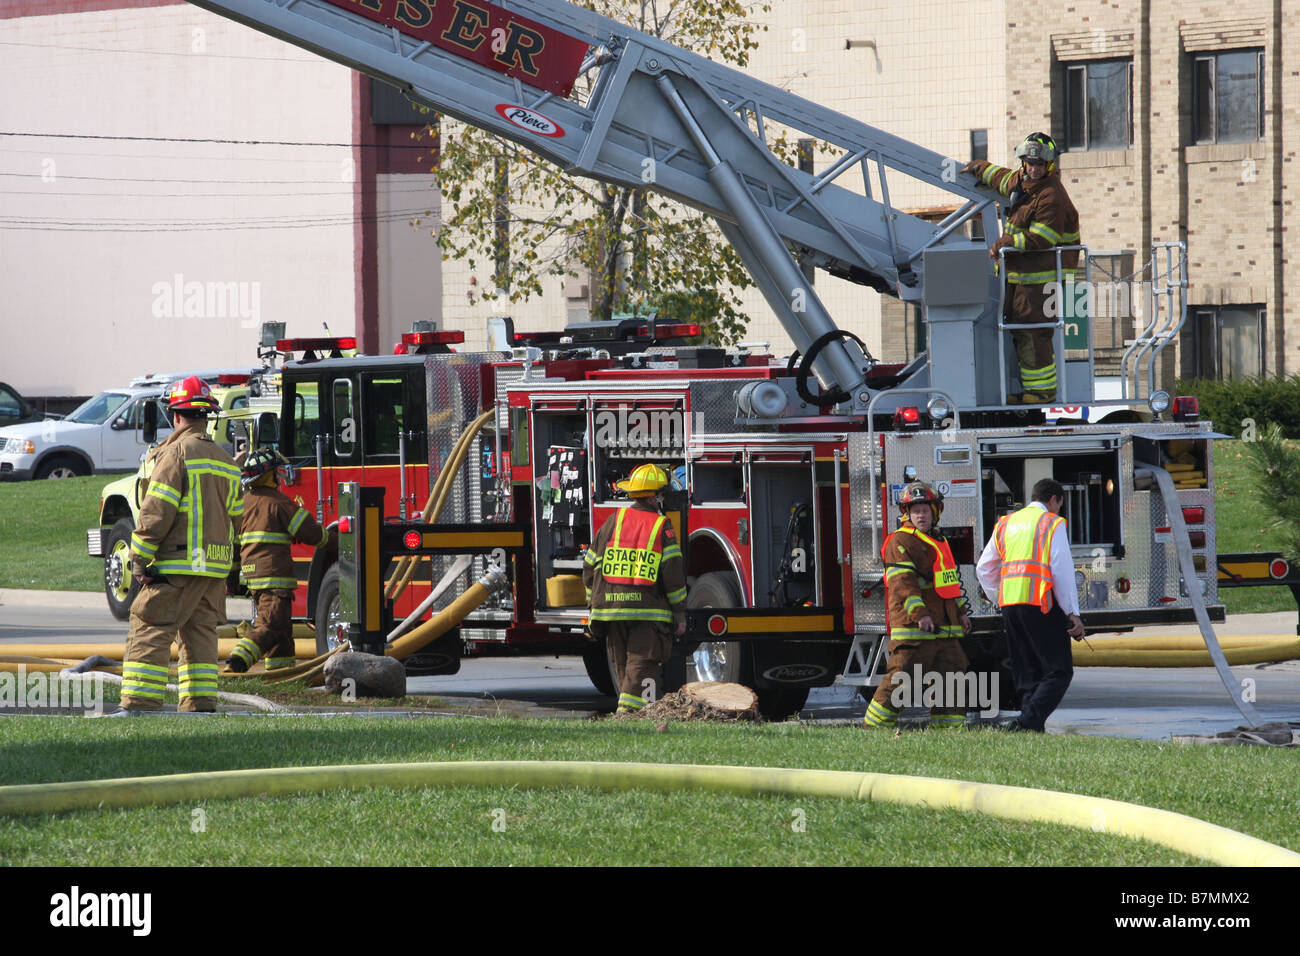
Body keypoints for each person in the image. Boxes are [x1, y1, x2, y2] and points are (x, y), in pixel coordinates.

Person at [117, 376, 243, 713]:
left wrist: (140, 560)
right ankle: (200, 704)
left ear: (175, 416)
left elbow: (156, 511)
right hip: (213, 570)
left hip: (176, 566)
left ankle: (139, 704)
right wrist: (232, 568)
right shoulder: (227, 462)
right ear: (207, 416)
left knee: (150, 626)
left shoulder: (175, 454)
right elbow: (238, 520)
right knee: (199, 635)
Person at [963, 132, 1080, 404]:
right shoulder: (1025, 182)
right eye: (1029, 162)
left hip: (1042, 280)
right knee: (1019, 331)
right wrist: (978, 168)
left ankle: (1041, 393)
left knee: (1034, 333)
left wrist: (1005, 242)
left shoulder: (1051, 195)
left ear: (1049, 165)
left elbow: (1043, 237)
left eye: (1039, 164)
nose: (1034, 168)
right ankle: (1030, 390)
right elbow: (1003, 179)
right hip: (1022, 277)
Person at [976, 478, 1086, 732]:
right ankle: (1027, 722)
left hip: (1010, 604)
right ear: (1053, 500)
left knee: (1027, 671)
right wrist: (1073, 613)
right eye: (1059, 504)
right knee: (1059, 671)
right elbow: (1061, 571)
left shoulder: (1007, 523)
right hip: (1040, 603)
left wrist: (998, 596)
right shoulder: (1052, 523)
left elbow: (984, 568)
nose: (1059, 509)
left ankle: (1029, 728)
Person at [864, 482, 973, 730]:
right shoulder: (900, 541)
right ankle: (873, 728)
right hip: (916, 629)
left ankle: (948, 733)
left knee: (953, 678)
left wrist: (962, 613)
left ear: (935, 512)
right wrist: (921, 615)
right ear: (907, 514)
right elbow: (903, 584)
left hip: (945, 629)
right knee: (903, 680)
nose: (921, 515)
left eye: (925, 510)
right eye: (916, 511)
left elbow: (949, 583)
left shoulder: (938, 540)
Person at [583, 463, 688, 713]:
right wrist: (680, 613)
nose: (663, 498)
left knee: (623, 667)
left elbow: (589, 568)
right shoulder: (661, 525)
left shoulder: (613, 521)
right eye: (662, 494)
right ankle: (632, 716)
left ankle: (631, 714)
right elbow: (672, 573)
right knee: (643, 663)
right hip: (647, 611)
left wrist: (592, 605)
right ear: (653, 497)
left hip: (611, 610)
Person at [226, 447, 328, 673]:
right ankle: (237, 661)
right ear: (269, 474)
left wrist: (232, 576)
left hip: (252, 578)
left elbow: (233, 545)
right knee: (269, 626)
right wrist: (335, 538)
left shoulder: (242, 505)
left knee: (282, 632)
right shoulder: (279, 503)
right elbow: (310, 533)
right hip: (274, 578)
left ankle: (279, 674)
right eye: (276, 472)